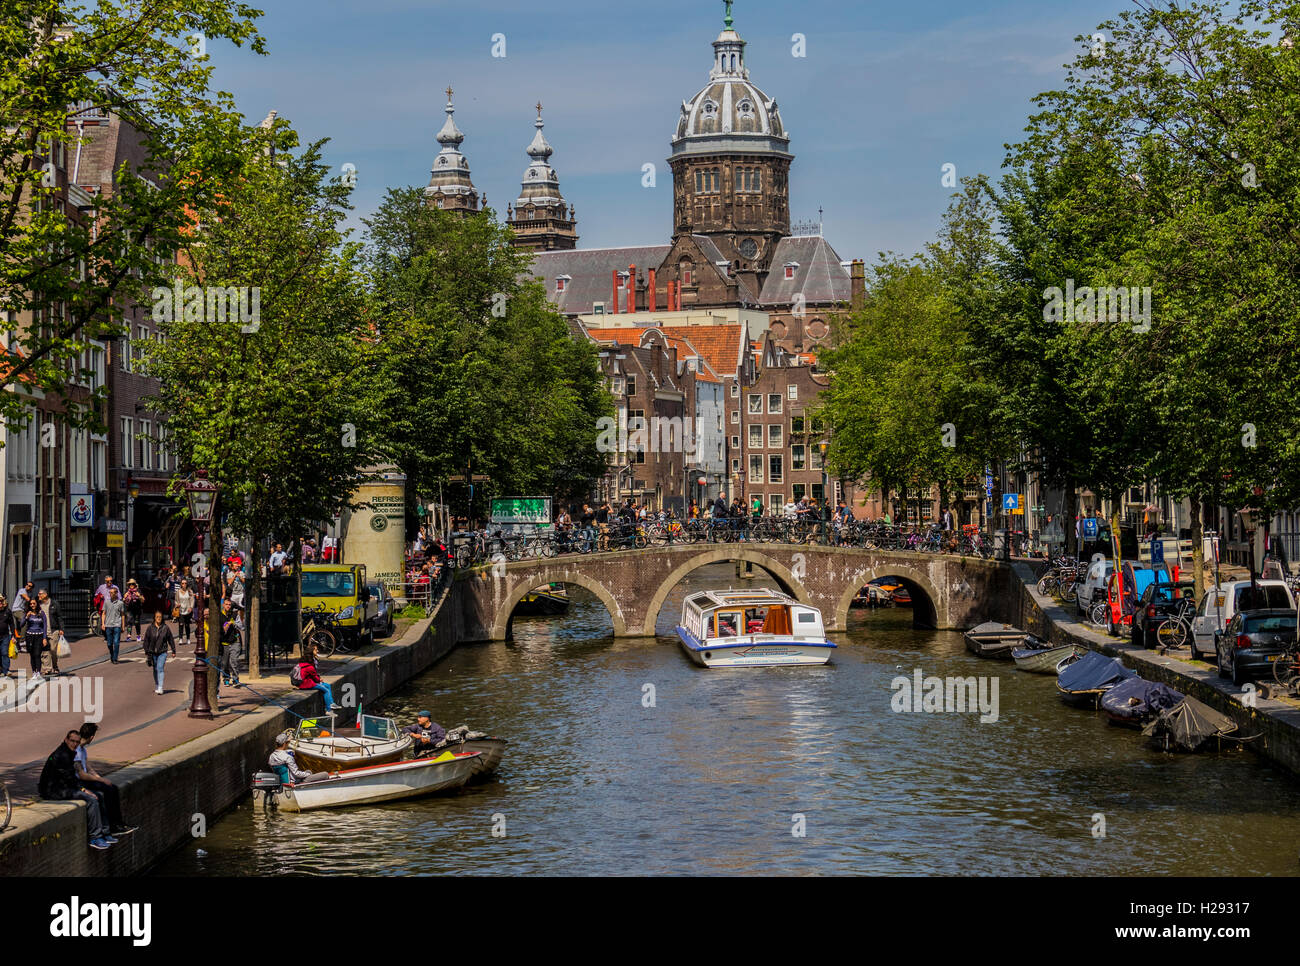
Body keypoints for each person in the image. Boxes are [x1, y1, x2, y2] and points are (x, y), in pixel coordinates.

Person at [39, 730, 115, 850]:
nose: (74, 744)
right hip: (53, 790)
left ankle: (105, 832)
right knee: (91, 799)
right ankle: (95, 837)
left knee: (99, 794)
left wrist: (83, 788)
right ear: (66, 740)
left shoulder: (69, 752)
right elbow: (69, 778)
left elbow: (71, 778)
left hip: (63, 786)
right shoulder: (62, 755)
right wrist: (84, 790)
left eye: (77, 742)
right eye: (72, 741)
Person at [73, 723, 137, 837]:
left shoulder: (82, 750)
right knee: (107, 791)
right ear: (92, 737)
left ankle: (118, 823)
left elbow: (89, 768)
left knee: (112, 788)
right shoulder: (76, 751)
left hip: (85, 780)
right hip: (79, 782)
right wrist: (100, 781)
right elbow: (82, 774)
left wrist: (101, 779)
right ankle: (113, 826)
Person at [296, 644, 340, 710]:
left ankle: (330, 705)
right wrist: (319, 680)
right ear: (311, 651)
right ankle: (329, 707)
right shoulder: (309, 666)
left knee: (327, 685)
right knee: (325, 690)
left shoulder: (306, 661)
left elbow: (312, 675)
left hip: (308, 682)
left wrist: (318, 679)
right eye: (316, 650)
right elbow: (315, 677)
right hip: (306, 684)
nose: (318, 651)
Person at [142, 610, 177, 695]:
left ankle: (161, 687)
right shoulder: (150, 628)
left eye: (160, 617)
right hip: (152, 652)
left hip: (162, 651)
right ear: (154, 618)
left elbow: (171, 639)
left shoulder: (165, 628)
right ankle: (157, 685)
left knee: (160, 668)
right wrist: (146, 651)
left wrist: (173, 650)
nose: (159, 619)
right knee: (155, 669)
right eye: (157, 617)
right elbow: (146, 640)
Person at [37, 589, 65, 676]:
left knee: (53, 650)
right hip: (43, 631)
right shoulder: (39, 605)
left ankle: (55, 666)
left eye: (40, 594)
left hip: (53, 630)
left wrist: (61, 629)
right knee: (45, 651)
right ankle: (47, 668)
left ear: (45, 594)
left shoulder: (54, 604)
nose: (39, 595)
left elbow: (59, 617)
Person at [21, 597, 48, 682]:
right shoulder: (27, 613)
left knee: (37, 654)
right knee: (32, 655)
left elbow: (45, 626)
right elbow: (21, 625)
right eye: (31, 604)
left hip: (39, 636)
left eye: (34, 603)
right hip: (30, 636)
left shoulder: (41, 613)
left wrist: (44, 638)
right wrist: (26, 617)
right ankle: (34, 673)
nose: (32, 605)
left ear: (37, 604)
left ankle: (38, 673)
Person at [220, 601, 243, 688]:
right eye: (226, 604)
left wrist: (233, 623)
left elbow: (241, 626)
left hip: (234, 641)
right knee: (225, 663)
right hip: (224, 642)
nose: (228, 606)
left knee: (234, 661)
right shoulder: (220, 615)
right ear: (223, 605)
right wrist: (224, 628)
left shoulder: (234, 615)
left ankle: (235, 679)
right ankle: (226, 679)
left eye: (229, 605)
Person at [102, 586, 125, 663]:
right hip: (108, 625)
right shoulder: (106, 602)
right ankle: (112, 654)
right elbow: (103, 613)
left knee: (116, 642)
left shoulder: (120, 603)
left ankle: (115, 658)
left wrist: (123, 625)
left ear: (116, 593)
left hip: (117, 625)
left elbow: (122, 615)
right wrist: (103, 624)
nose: (111, 594)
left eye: (112, 593)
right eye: (110, 593)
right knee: (109, 643)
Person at [175, 578, 195, 645]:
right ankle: (180, 639)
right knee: (181, 624)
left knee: (187, 625)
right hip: (181, 610)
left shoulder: (189, 591)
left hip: (188, 610)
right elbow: (176, 600)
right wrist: (177, 604)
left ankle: (188, 638)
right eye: (183, 583)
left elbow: (192, 600)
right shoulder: (178, 592)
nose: (184, 585)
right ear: (181, 584)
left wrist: (191, 607)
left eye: (185, 583)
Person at [0, 595, 13, 679]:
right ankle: (1, 670)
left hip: (5, 636)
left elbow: (11, 624)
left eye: (1, 602)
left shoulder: (7, 611)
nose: (0, 604)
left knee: (4, 652)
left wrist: (14, 636)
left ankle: (6, 670)